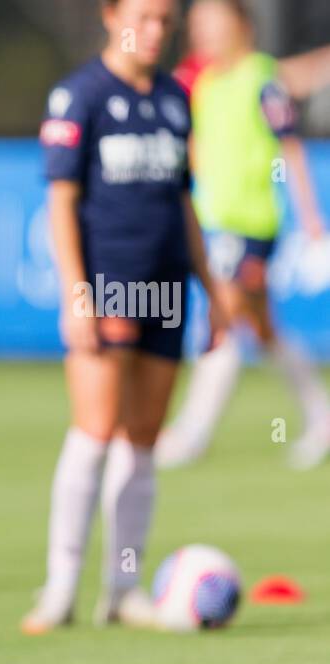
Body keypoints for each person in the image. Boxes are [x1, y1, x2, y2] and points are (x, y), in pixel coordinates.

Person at [24, 0, 225, 634]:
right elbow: (62, 202)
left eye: (167, 19)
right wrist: (75, 292)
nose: (157, 30)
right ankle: (60, 589)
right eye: (145, 16)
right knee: (95, 430)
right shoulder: (79, 95)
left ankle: (124, 590)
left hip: (168, 289)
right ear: (111, 16)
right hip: (108, 285)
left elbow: (183, 200)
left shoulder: (175, 97)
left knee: (142, 440)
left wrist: (212, 287)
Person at [156, 0, 330, 470]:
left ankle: (192, 432)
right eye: (199, 26)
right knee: (264, 329)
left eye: (216, 23)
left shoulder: (261, 78)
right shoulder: (206, 84)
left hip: (252, 227)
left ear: (242, 27)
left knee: (223, 320)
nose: (206, 33)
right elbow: (198, 154)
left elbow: (290, 150)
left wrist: (312, 219)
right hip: (216, 225)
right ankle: (322, 415)